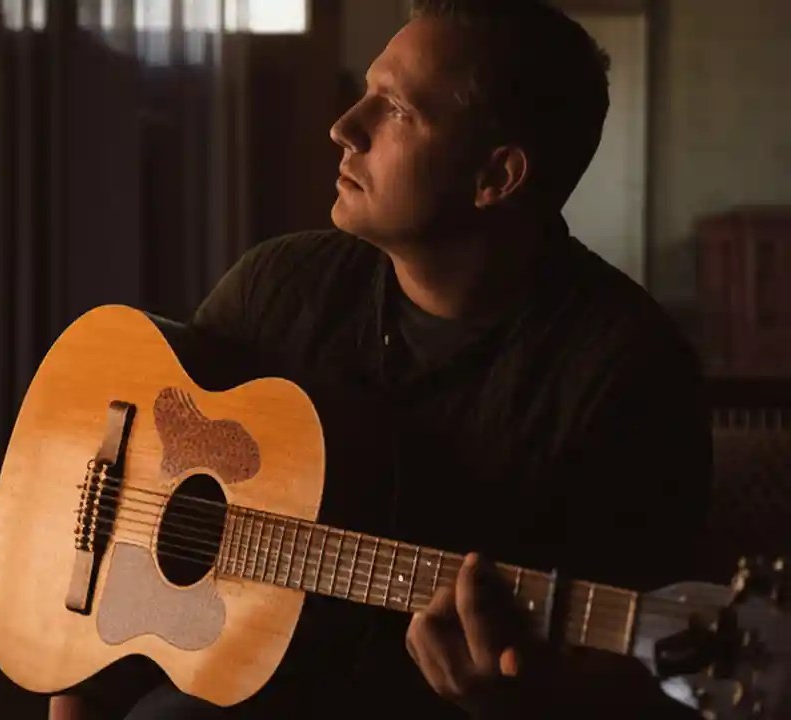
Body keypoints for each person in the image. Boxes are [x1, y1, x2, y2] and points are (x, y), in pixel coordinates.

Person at [50, 0, 711, 717]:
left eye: (394, 109)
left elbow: (639, 687)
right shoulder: (281, 288)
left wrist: (513, 696)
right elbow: (129, 454)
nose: (344, 127)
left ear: (497, 177)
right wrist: (74, 679)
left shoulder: (628, 374)